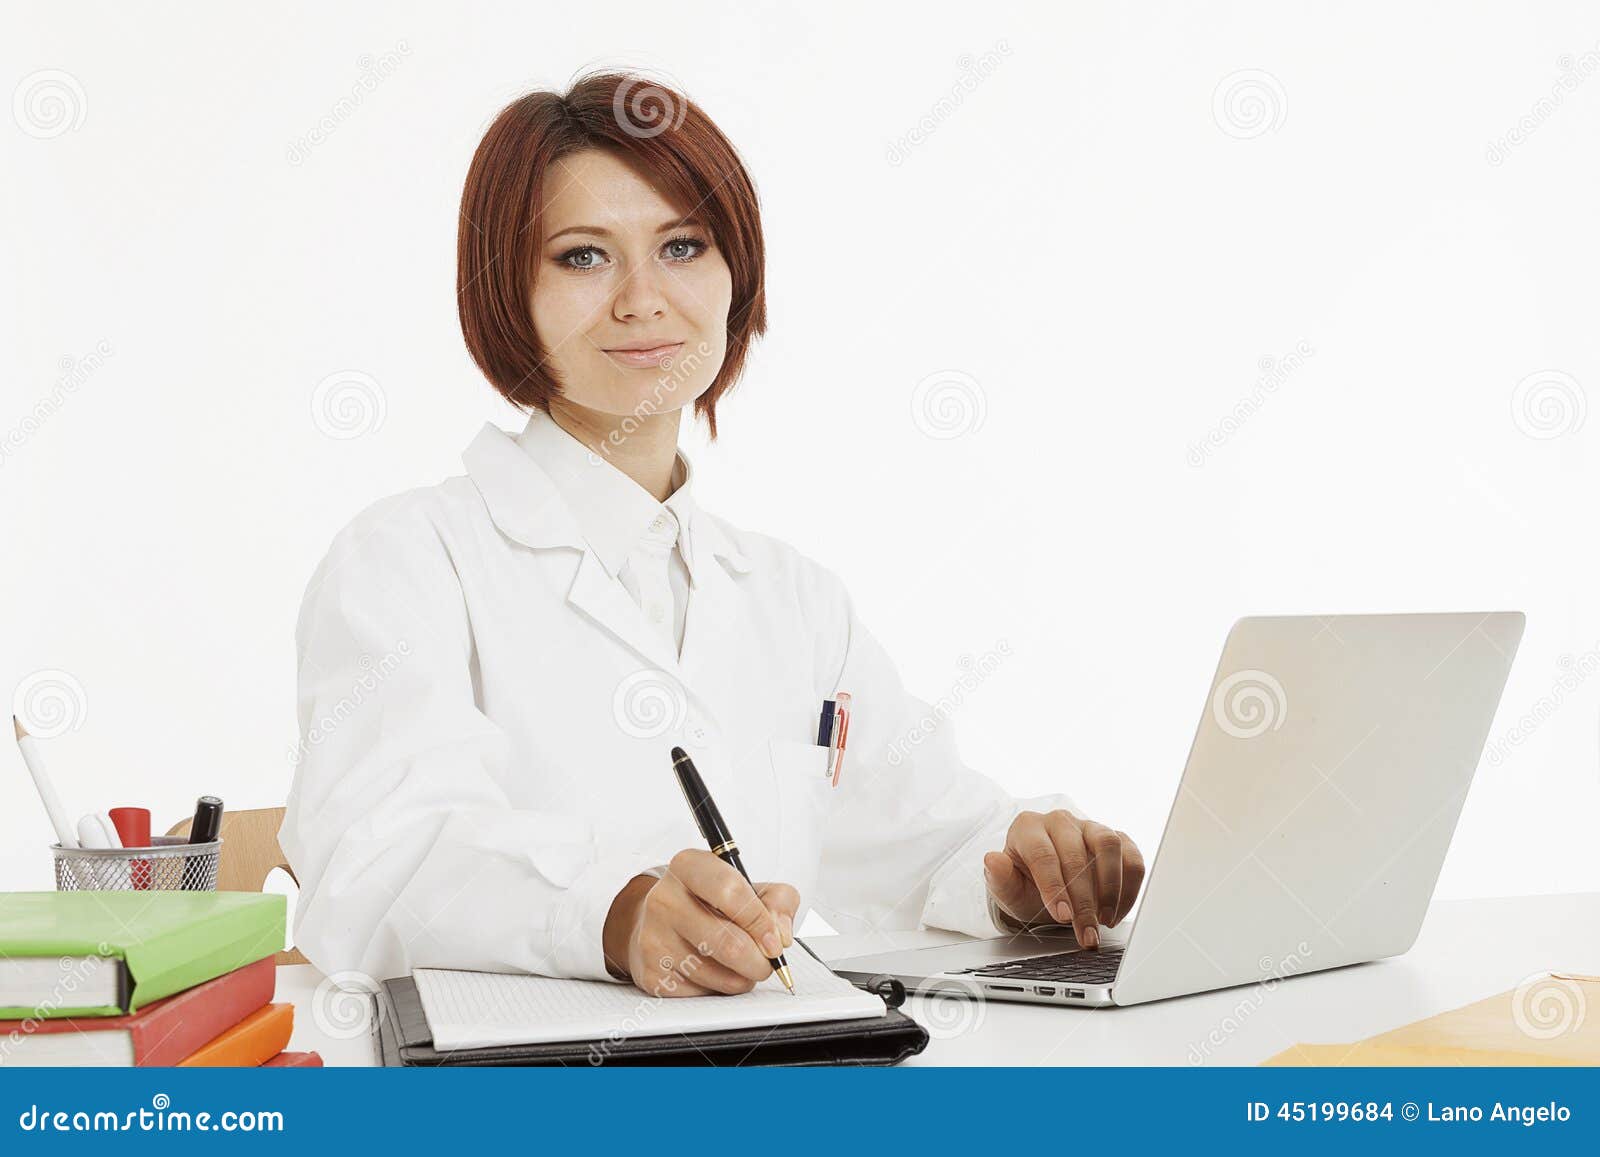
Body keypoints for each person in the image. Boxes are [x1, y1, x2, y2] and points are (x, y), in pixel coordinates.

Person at [279, 71, 1144, 996]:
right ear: (506, 291)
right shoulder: (406, 560)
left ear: (736, 273)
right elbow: (377, 860)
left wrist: (1027, 878)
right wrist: (615, 916)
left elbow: (925, 840)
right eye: (583, 256)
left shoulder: (792, 598)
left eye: (682, 246)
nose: (642, 299)